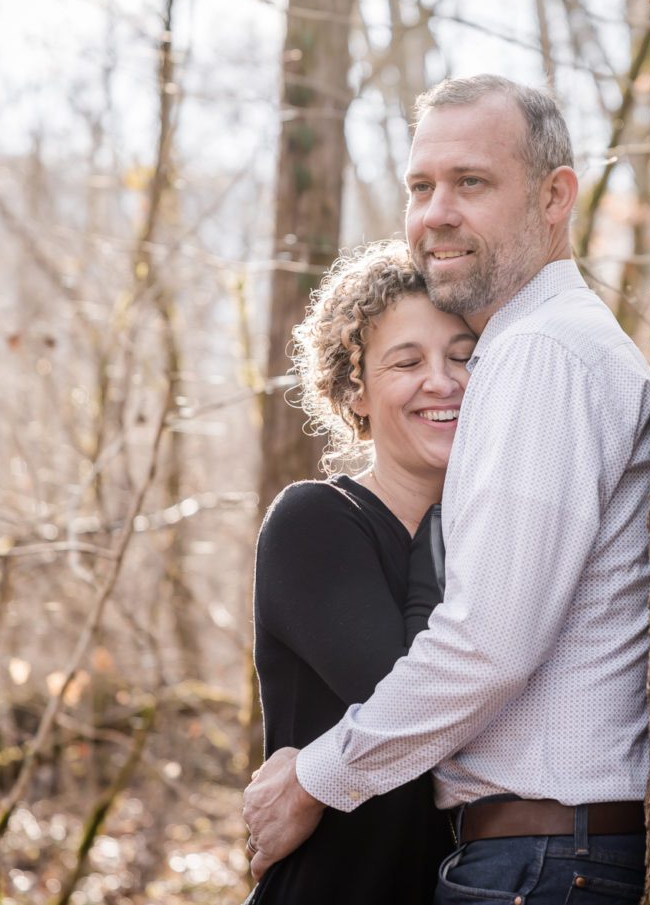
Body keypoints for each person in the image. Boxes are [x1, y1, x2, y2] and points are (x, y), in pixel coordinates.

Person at [243, 74, 650, 905]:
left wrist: (313, 776)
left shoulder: (541, 352)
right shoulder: (543, 345)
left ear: (555, 196)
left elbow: (486, 644)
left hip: (542, 858)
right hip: (539, 857)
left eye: (471, 182)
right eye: (421, 186)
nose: (437, 212)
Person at [244, 240, 467, 903]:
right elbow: (419, 708)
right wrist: (441, 519)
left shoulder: (499, 537)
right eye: (407, 361)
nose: (442, 381)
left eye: (462, 356)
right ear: (354, 390)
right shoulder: (314, 523)